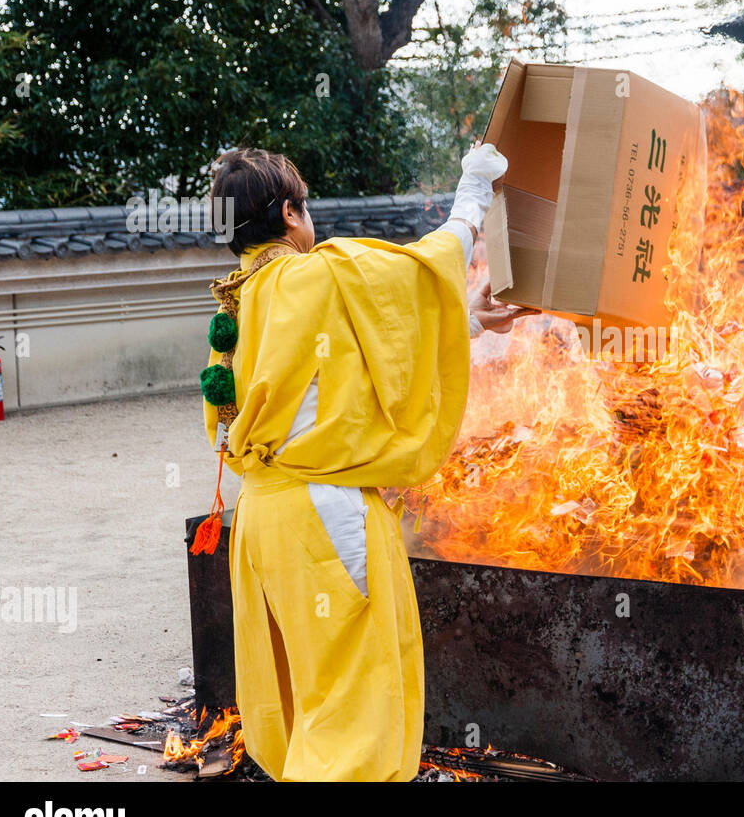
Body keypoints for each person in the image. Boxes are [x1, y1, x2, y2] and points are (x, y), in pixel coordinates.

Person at [198, 144, 520, 781]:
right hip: (326, 516)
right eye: (305, 206)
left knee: (313, 695)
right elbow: (426, 271)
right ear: (290, 215)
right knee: (354, 704)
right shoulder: (313, 274)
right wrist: (474, 188)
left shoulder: (233, 309)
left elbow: (347, 368)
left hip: (262, 520)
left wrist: (469, 323)